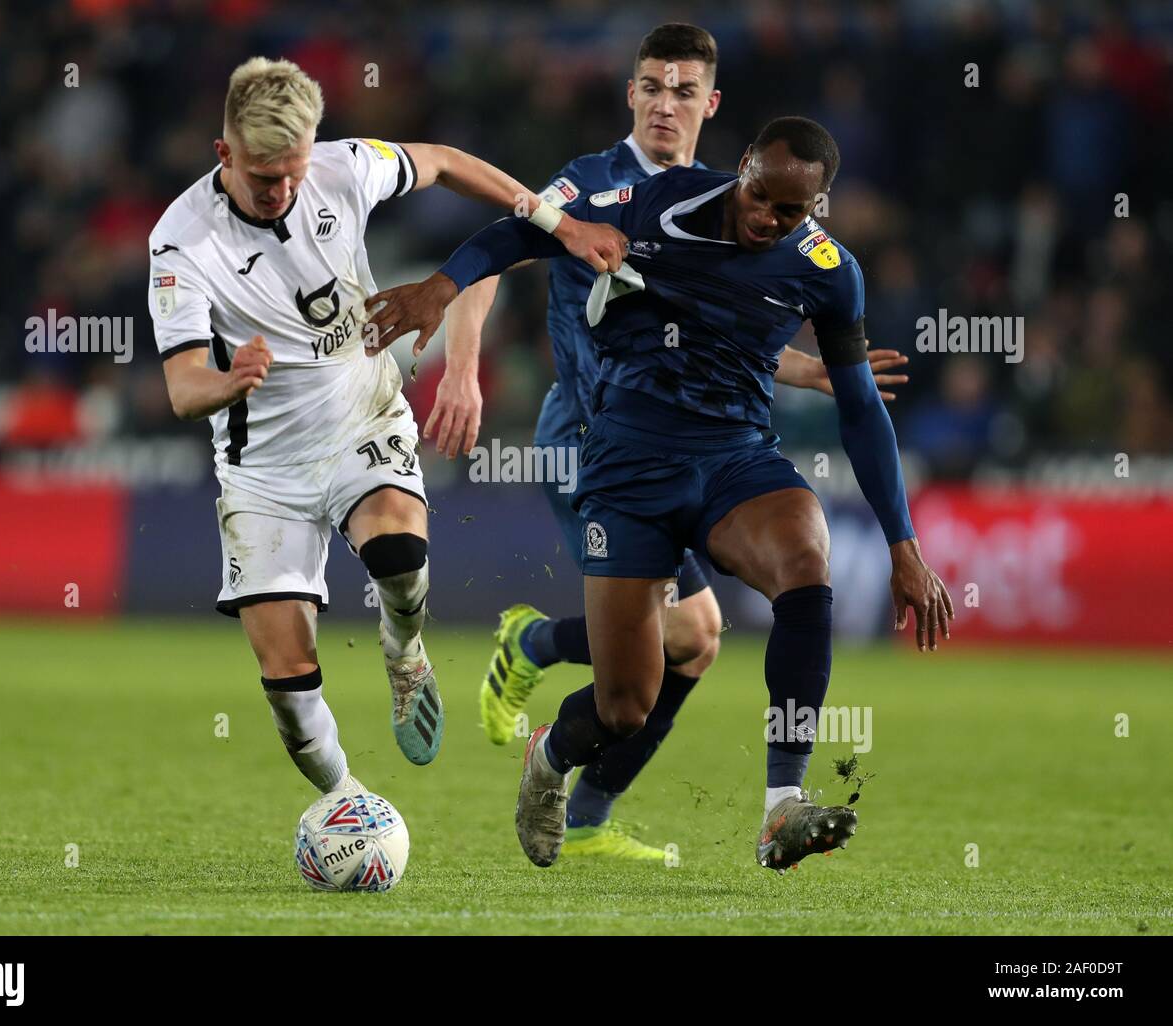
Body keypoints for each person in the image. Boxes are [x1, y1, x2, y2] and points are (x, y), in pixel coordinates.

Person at [364, 115, 953, 873]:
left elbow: (862, 407)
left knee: (807, 557)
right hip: (627, 467)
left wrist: (905, 546)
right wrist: (444, 289)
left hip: (736, 460)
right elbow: (523, 232)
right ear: (742, 166)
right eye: (761, 196)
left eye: (791, 212)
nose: (768, 219)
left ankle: (782, 805)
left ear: (817, 208)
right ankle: (549, 755)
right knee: (624, 707)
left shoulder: (828, 269)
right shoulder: (651, 203)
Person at [148, 57, 623, 800]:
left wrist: (557, 223)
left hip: (360, 412)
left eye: (294, 173)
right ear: (223, 155)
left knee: (400, 558)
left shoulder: (342, 169)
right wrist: (230, 380)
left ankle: (404, 652)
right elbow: (182, 390)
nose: (283, 193)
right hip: (263, 470)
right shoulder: (181, 244)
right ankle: (348, 803)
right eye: (263, 178)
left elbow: (445, 163)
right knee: (291, 695)